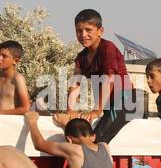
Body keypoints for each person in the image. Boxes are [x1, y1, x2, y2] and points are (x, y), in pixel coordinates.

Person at [53, 9, 132, 142]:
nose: (83, 34)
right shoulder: (81, 57)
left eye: (88, 30)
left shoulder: (108, 48)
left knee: (95, 138)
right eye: (79, 31)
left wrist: (96, 111)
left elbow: (109, 79)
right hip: (109, 106)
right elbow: (76, 83)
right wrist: (70, 110)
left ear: (100, 31)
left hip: (125, 101)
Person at [0, 41, 31, 115]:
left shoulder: (17, 78)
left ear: (15, 61)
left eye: (4, 56)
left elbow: (26, 108)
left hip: (12, 123)